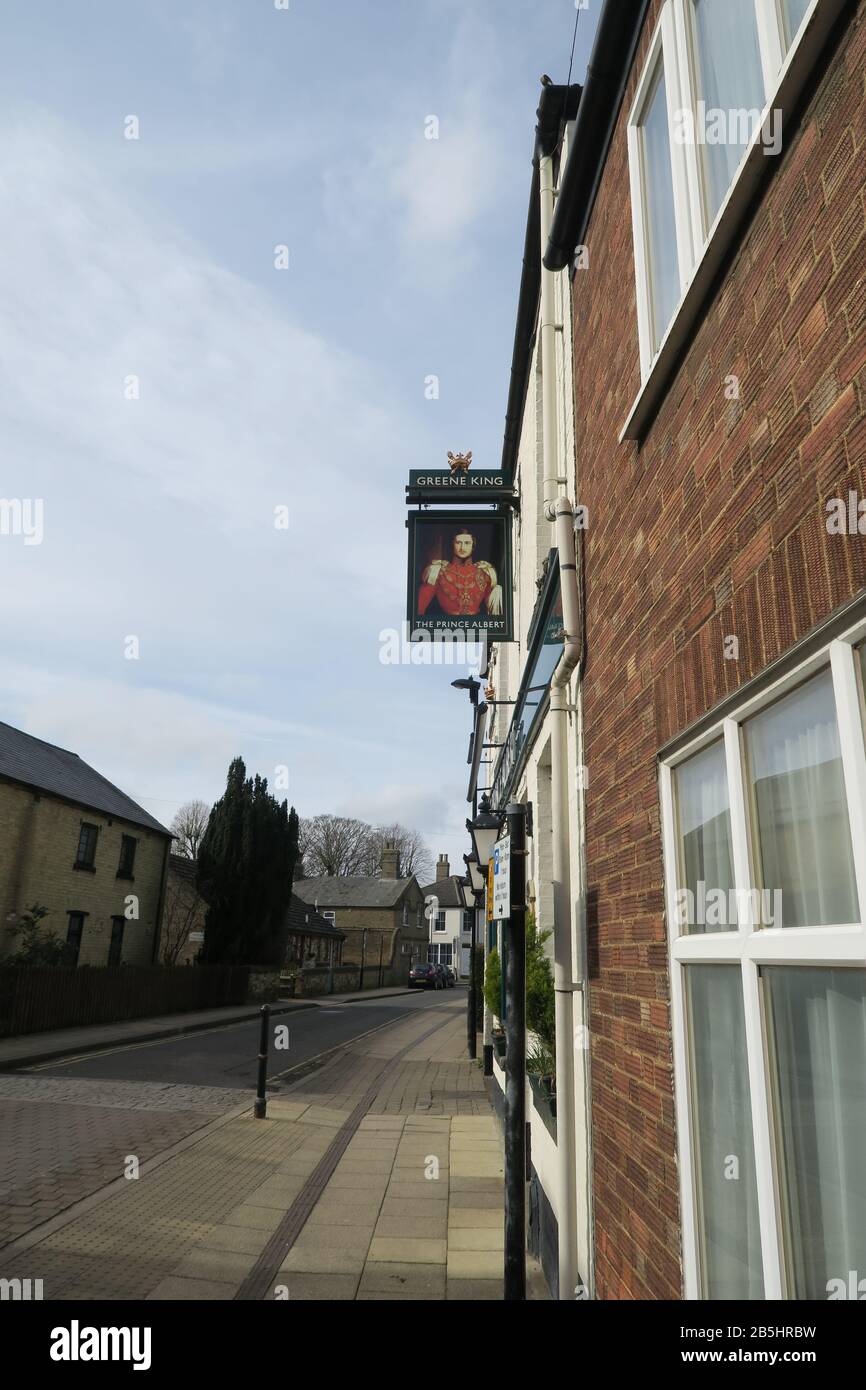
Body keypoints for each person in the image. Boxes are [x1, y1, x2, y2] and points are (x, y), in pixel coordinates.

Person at [418, 530, 503, 617]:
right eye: (458, 543)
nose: (462, 548)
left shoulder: (484, 572)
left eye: (467, 543)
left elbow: (495, 614)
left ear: (473, 545)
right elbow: (418, 609)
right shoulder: (438, 572)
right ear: (452, 544)